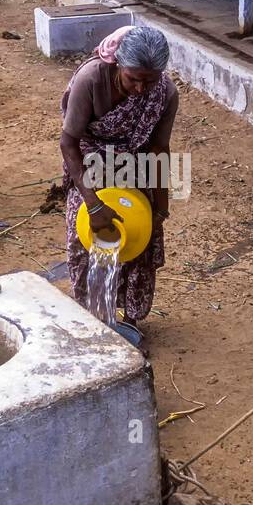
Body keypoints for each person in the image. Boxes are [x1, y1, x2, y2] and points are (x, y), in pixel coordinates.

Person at [60, 25, 179, 325]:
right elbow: (68, 142)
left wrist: (160, 209)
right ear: (118, 65)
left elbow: (159, 149)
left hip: (136, 165)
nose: (140, 89)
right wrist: (93, 204)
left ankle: (130, 321)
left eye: (148, 82)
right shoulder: (91, 80)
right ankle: (94, 316)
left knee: (138, 240)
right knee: (85, 239)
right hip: (90, 165)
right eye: (133, 79)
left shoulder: (165, 94)